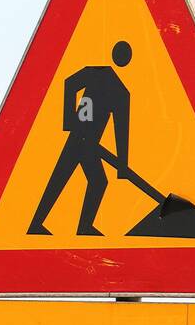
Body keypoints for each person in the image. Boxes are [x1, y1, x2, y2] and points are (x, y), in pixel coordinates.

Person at [27, 40, 132, 236]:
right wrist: (69, 122)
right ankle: (77, 227)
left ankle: (42, 224)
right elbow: (70, 84)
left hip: (88, 142)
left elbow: (121, 129)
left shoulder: (113, 86)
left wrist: (122, 165)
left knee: (69, 179)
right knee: (74, 179)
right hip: (81, 138)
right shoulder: (115, 87)